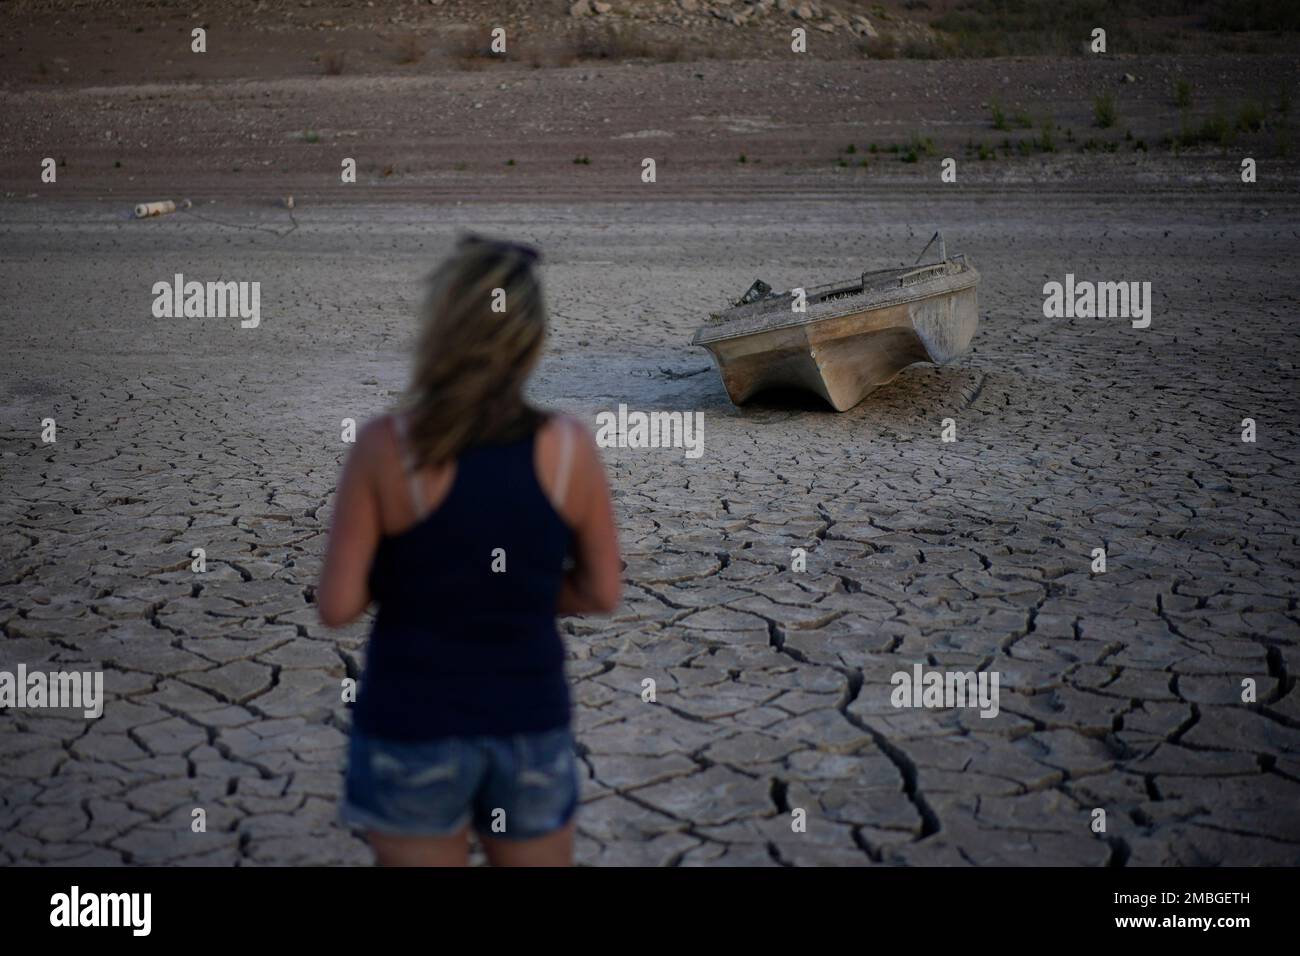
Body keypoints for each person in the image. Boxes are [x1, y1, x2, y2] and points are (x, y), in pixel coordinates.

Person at [317, 235, 622, 866]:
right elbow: (600, 591)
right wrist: (521, 590)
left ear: (442, 329)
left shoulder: (385, 448)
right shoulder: (570, 451)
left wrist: (421, 578)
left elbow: (338, 605)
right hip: (528, 726)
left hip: (413, 725)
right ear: (531, 341)